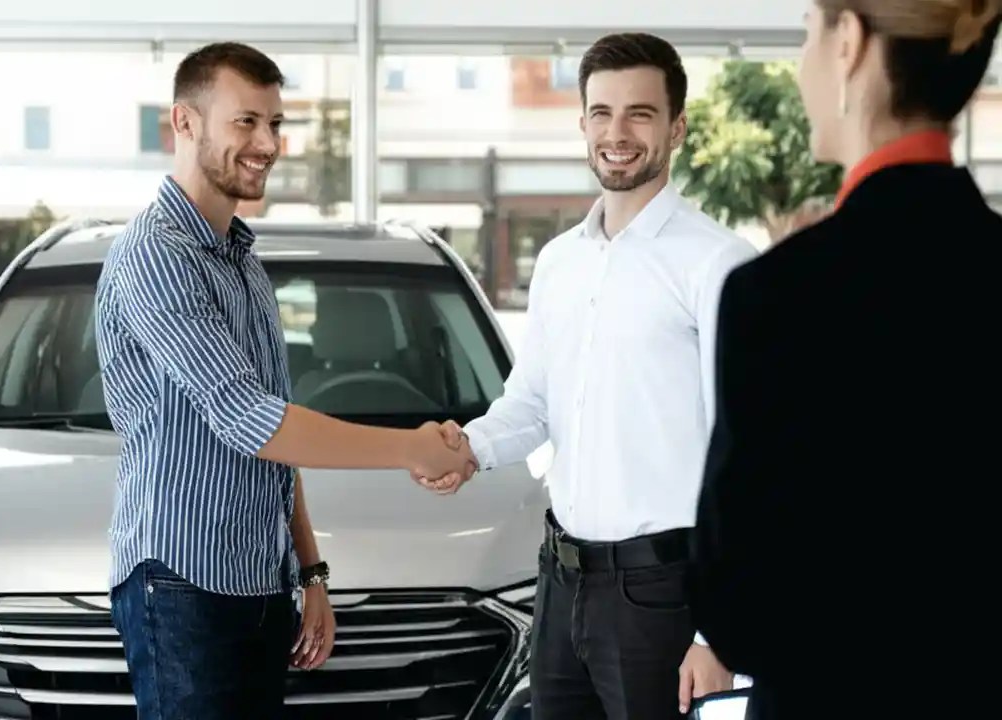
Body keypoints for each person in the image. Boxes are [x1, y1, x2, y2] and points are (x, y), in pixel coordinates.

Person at [93, 42, 474, 720]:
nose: (268, 142)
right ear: (184, 123)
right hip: (185, 583)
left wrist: (310, 572)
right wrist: (412, 448)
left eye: (275, 122)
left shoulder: (240, 258)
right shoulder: (155, 255)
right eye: (246, 122)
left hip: (259, 582)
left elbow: (278, 426)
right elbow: (248, 418)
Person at [425, 32, 759, 719]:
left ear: (677, 128)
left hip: (663, 594)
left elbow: (748, 452)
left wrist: (715, 633)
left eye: (640, 113)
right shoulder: (558, 262)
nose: (618, 132)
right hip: (562, 582)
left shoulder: (719, 264)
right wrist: (469, 450)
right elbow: (533, 405)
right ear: (582, 123)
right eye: (601, 112)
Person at [688, 2, 1002, 718]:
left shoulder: (778, 296)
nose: (801, 62)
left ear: (849, 42)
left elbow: (737, 607)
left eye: (808, 31)